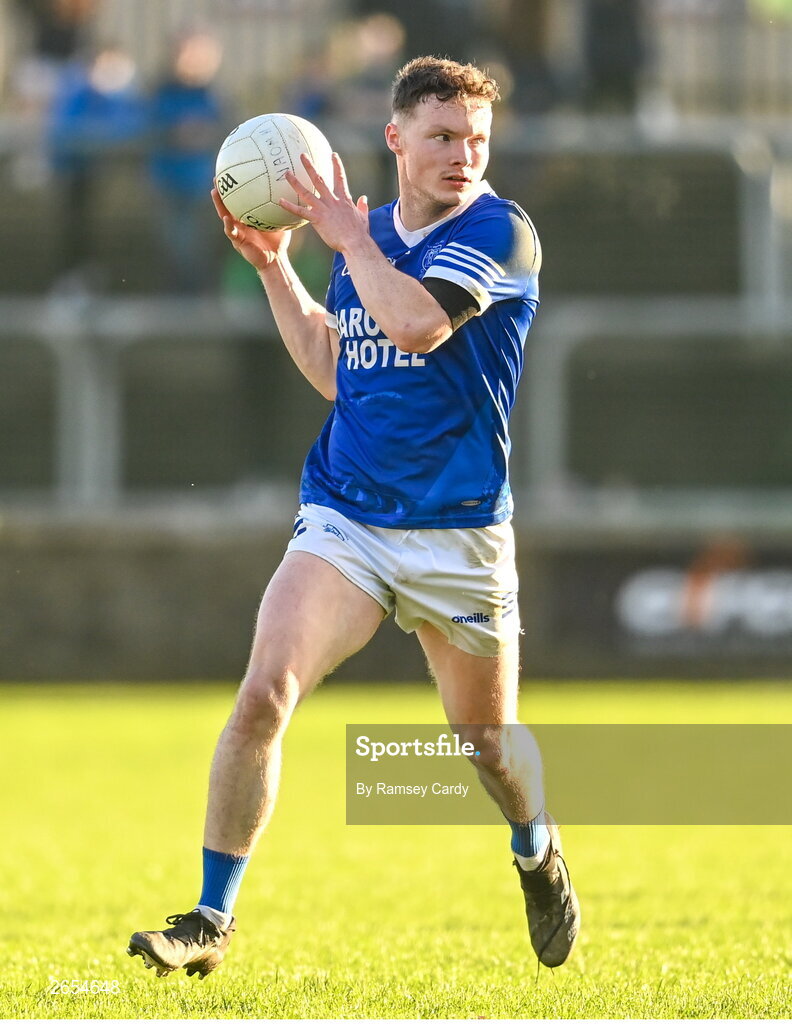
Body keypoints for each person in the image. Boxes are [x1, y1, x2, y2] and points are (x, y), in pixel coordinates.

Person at [127, 55, 580, 979]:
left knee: (486, 744)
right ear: (397, 138)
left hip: (459, 534)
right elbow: (344, 369)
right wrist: (277, 268)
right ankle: (212, 918)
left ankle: (536, 846)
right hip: (348, 518)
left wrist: (348, 241)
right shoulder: (359, 239)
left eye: (477, 140)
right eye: (444, 137)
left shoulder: (501, 232)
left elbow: (416, 326)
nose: (463, 155)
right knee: (264, 694)